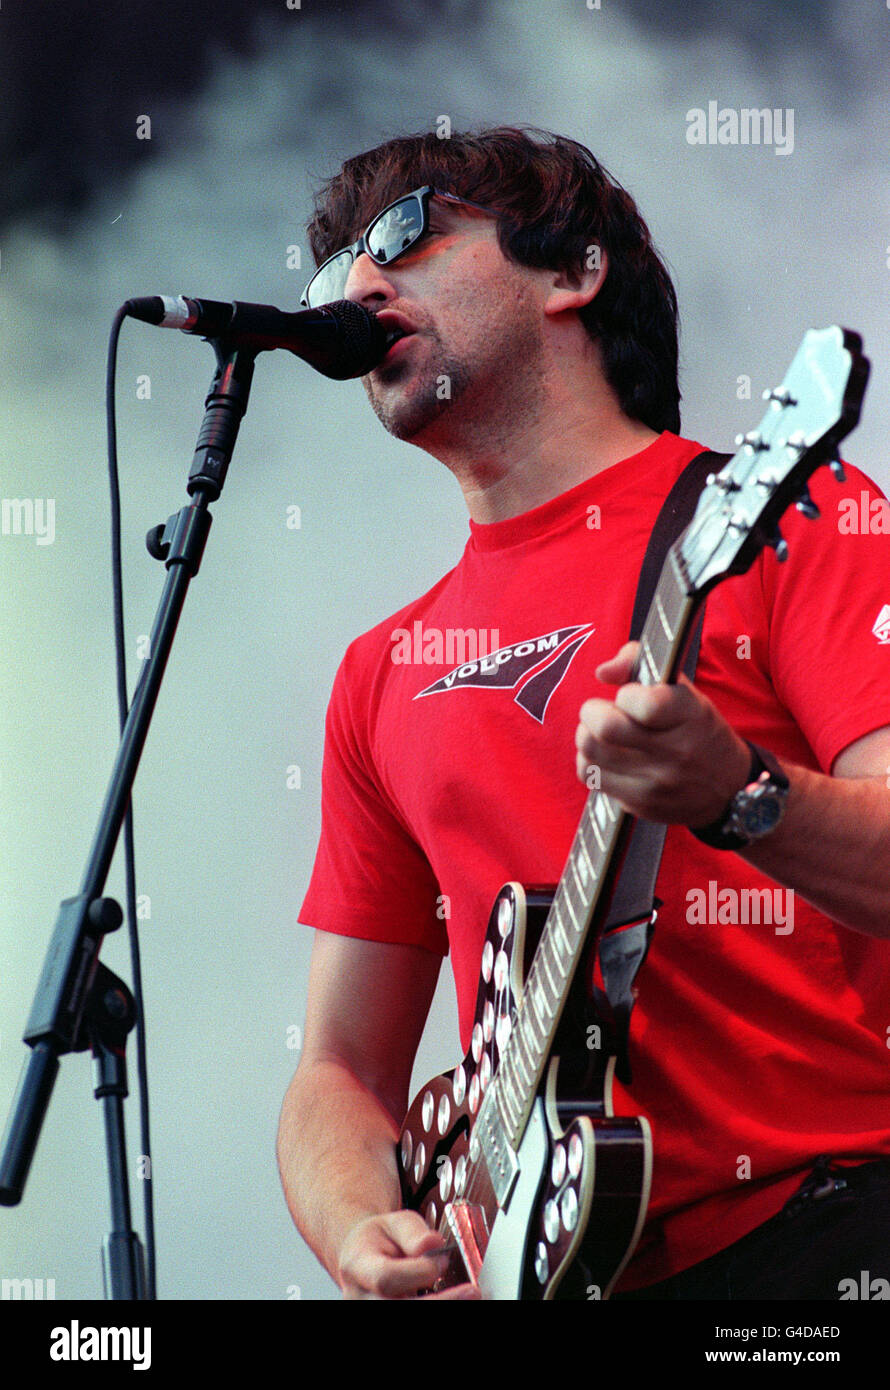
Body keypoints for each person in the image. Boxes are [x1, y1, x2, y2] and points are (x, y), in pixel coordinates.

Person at [275, 126, 890, 1301]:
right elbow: (337, 1073)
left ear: (573, 273)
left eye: (406, 234)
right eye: (336, 268)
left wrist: (738, 798)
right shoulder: (381, 670)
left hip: (818, 1241)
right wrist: (368, 1233)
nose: (357, 285)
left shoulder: (785, 516)